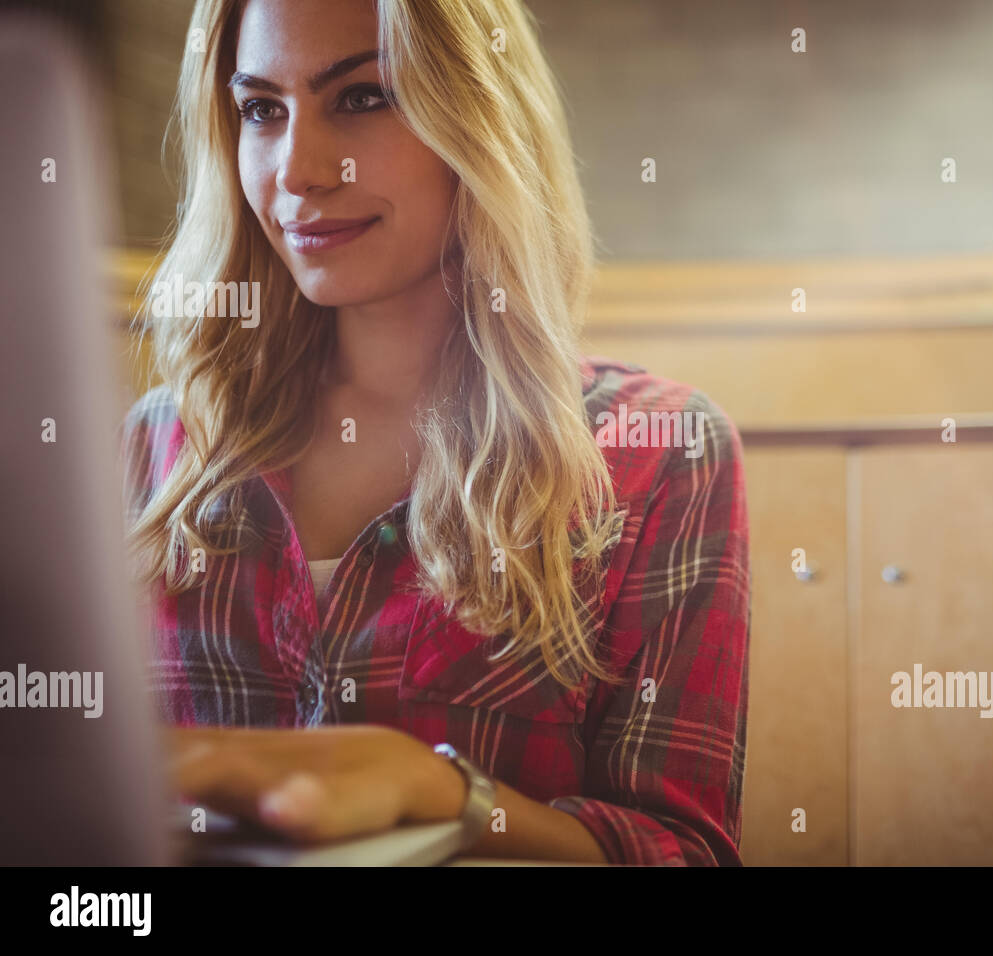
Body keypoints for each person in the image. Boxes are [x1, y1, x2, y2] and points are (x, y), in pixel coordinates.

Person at [120, 0, 750, 865]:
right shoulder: (155, 449)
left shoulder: (660, 451)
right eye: (262, 109)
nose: (296, 170)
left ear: (477, 121)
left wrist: (440, 793)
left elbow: (683, 851)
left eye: (363, 98)